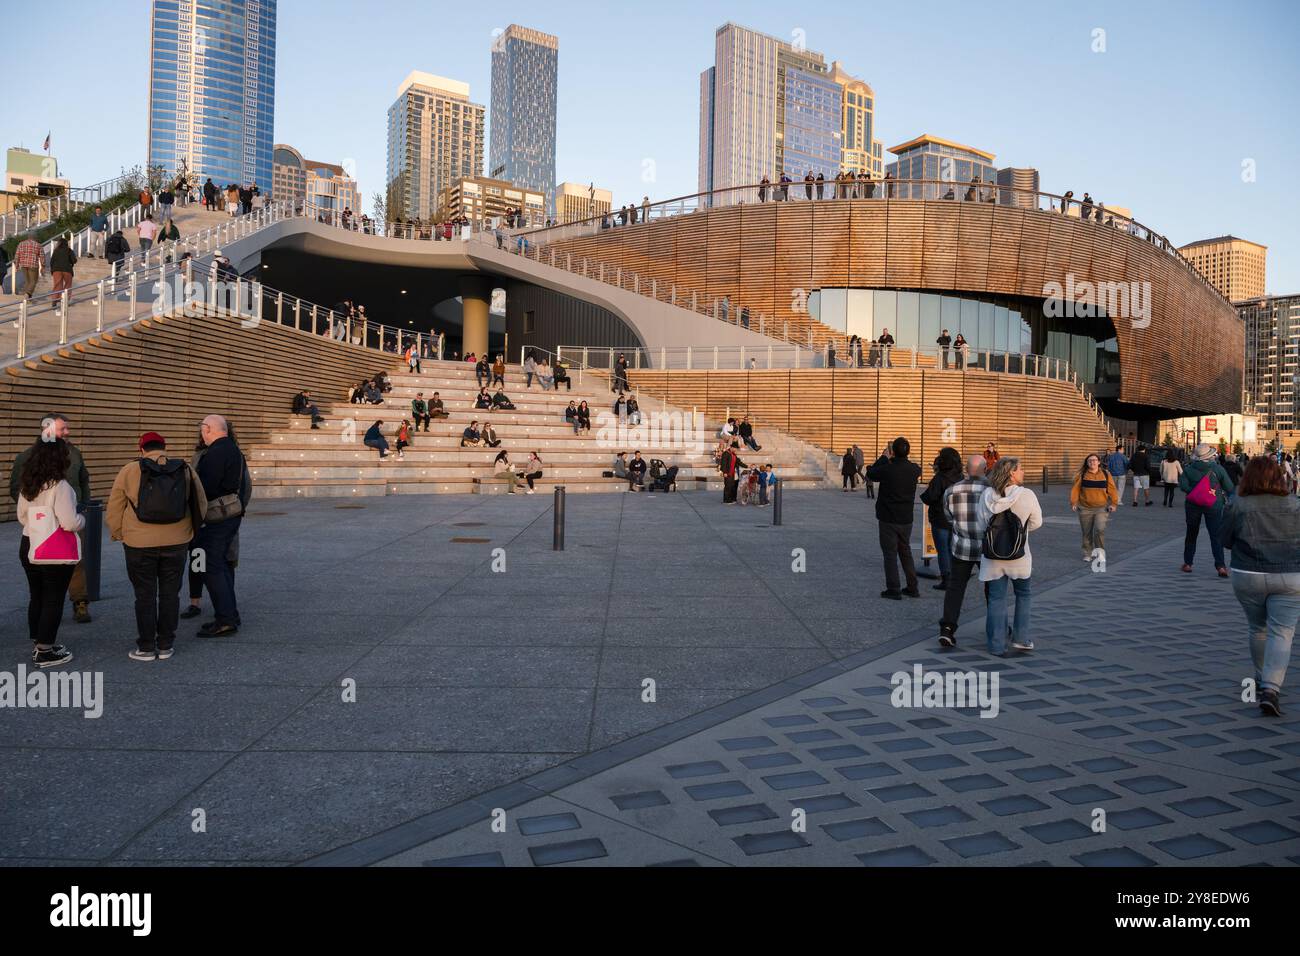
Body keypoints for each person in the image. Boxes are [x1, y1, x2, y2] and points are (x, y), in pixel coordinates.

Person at [107, 432, 207, 661]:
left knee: (144, 594)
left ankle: (145, 647)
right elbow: (200, 502)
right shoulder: (184, 469)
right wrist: (190, 532)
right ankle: (165, 645)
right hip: (177, 541)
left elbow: (114, 507)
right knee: (170, 593)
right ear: (164, 447)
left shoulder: (129, 470)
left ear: (141, 449)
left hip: (139, 543)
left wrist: (120, 533)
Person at [1220, 457, 1300, 717]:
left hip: (1248, 574)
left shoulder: (1238, 504)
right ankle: (1271, 689)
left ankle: (1259, 676)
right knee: (1283, 632)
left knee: (1258, 627)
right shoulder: (1295, 505)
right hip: (1290, 576)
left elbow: (1226, 540)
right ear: (1280, 477)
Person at [10, 414, 93, 623]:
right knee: (44, 582)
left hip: (70, 517)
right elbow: (16, 488)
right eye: (62, 429)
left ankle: (79, 601)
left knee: (76, 560)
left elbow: (84, 479)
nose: (67, 432)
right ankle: (45, 632)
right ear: (47, 430)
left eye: (67, 428)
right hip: (41, 525)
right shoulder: (27, 457)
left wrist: (82, 505)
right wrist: (38, 511)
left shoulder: (74, 453)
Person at [16, 437, 86, 668]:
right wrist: (82, 520)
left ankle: (39, 640)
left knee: (37, 595)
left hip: (29, 542)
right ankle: (45, 651)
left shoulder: (29, 483)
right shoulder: (61, 486)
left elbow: (21, 516)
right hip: (53, 548)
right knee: (53, 598)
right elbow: (68, 522)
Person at [979, 457, 1043, 655]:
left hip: (993, 557)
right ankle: (1021, 638)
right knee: (1023, 595)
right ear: (1011, 473)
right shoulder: (1027, 495)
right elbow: (1037, 522)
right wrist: (1021, 534)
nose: (1023, 472)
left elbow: (982, 524)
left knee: (996, 598)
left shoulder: (987, 495)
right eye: (1020, 469)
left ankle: (996, 645)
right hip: (1019, 556)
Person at [193, 415, 245, 636]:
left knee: (211, 566)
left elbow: (206, 487)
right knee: (221, 565)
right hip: (231, 514)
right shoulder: (233, 449)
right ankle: (229, 614)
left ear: (208, 429)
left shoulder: (215, 452)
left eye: (203, 430)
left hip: (216, 517)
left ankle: (225, 619)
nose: (202, 435)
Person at [938, 455, 989, 648]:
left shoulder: (952, 490)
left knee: (955, 588)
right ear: (984, 469)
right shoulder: (991, 490)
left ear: (966, 469)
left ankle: (947, 629)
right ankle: (997, 625)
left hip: (962, 547)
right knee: (993, 589)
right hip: (987, 548)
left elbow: (948, 518)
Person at [867, 437, 923, 599]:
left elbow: (870, 473)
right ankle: (913, 587)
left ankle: (894, 588)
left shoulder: (888, 468)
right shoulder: (914, 469)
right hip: (906, 518)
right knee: (905, 551)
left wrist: (884, 457)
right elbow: (913, 466)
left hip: (888, 518)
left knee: (890, 554)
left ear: (893, 452)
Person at [1179, 442, 1234, 577]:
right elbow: (1229, 486)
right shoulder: (1217, 469)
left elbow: (1183, 486)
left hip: (1193, 505)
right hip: (1214, 505)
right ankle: (1220, 566)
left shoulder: (1189, 469)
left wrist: (1196, 492)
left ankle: (1188, 563)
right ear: (1209, 456)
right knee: (1216, 535)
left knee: (1191, 534)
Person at [920, 447, 963, 590]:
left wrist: (924, 496)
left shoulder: (940, 478)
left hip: (940, 518)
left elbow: (929, 497)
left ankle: (946, 578)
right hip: (957, 518)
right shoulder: (961, 477)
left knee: (943, 550)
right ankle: (955, 577)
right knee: (953, 549)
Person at [1070, 453, 1118, 561]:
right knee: (1086, 532)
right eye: (1090, 461)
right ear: (1087, 463)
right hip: (1085, 508)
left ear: (1099, 462)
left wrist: (1114, 504)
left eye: (1094, 460)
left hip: (1102, 508)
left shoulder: (1106, 474)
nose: (1092, 462)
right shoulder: (1082, 475)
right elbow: (1075, 490)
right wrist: (1074, 502)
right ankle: (1088, 553)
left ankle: (1100, 553)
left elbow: (1112, 490)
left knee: (1099, 530)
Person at [48, 236, 76, 306]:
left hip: (56, 270)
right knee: (68, 285)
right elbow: (74, 260)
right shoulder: (69, 250)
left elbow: (52, 261)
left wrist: (52, 270)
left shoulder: (56, 251)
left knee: (57, 285)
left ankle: (55, 299)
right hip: (67, 269)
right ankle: (65, 300)